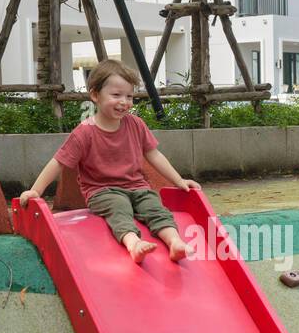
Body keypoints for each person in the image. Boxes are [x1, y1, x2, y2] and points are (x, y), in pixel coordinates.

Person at [18, 59, 200, 264]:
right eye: (116, 95)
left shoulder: (135, 124)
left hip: (137, 187)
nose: (124, 101)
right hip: (102, 191)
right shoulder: (85, 132)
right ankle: (133, 244)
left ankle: (175, 242)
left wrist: (178, 181)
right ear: (95, 95)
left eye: (129, 96)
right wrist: (36, 190)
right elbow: (59, 162)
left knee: (155, 206)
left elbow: (154, 154)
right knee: (119, 207)